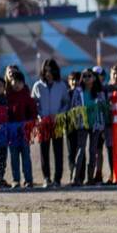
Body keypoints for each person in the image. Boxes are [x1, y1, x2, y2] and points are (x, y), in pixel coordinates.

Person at [31, 59, 69, 188]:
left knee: (58, 151)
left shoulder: (61, 85)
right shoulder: (37, 86)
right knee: (44, 152)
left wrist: (59, 114)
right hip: (43, 123)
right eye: (46, 70)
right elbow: (33, 105)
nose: (48, 73)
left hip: (57, 122)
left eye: (51, 70)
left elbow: (66, 102)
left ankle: (57, 179)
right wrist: (39, 116)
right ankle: (46, 178)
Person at [70, 69, 106, 186]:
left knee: (93, 152)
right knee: (80, 150)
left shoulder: (100, 93)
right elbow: (73, 108)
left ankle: (90, 179)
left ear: (94, 78)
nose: (86, 78)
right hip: (82, 125)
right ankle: (75, 178)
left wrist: (102, 125)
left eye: (89, 76)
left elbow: (103, 109)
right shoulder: (77, 91)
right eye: (84, 76)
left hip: (95, 125)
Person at [6, 69, 37, 188]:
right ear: (10, 82)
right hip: (12, 133)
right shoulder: (8, 96)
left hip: (24, 132)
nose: (16, 84)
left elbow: (33, 112)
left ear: (23, 83)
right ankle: (16, 179)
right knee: (14, 157)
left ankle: (28, 179)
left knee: (26, 156)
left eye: (19, 82)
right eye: (14, 81)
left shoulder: (27, 96)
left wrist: (31, 124)